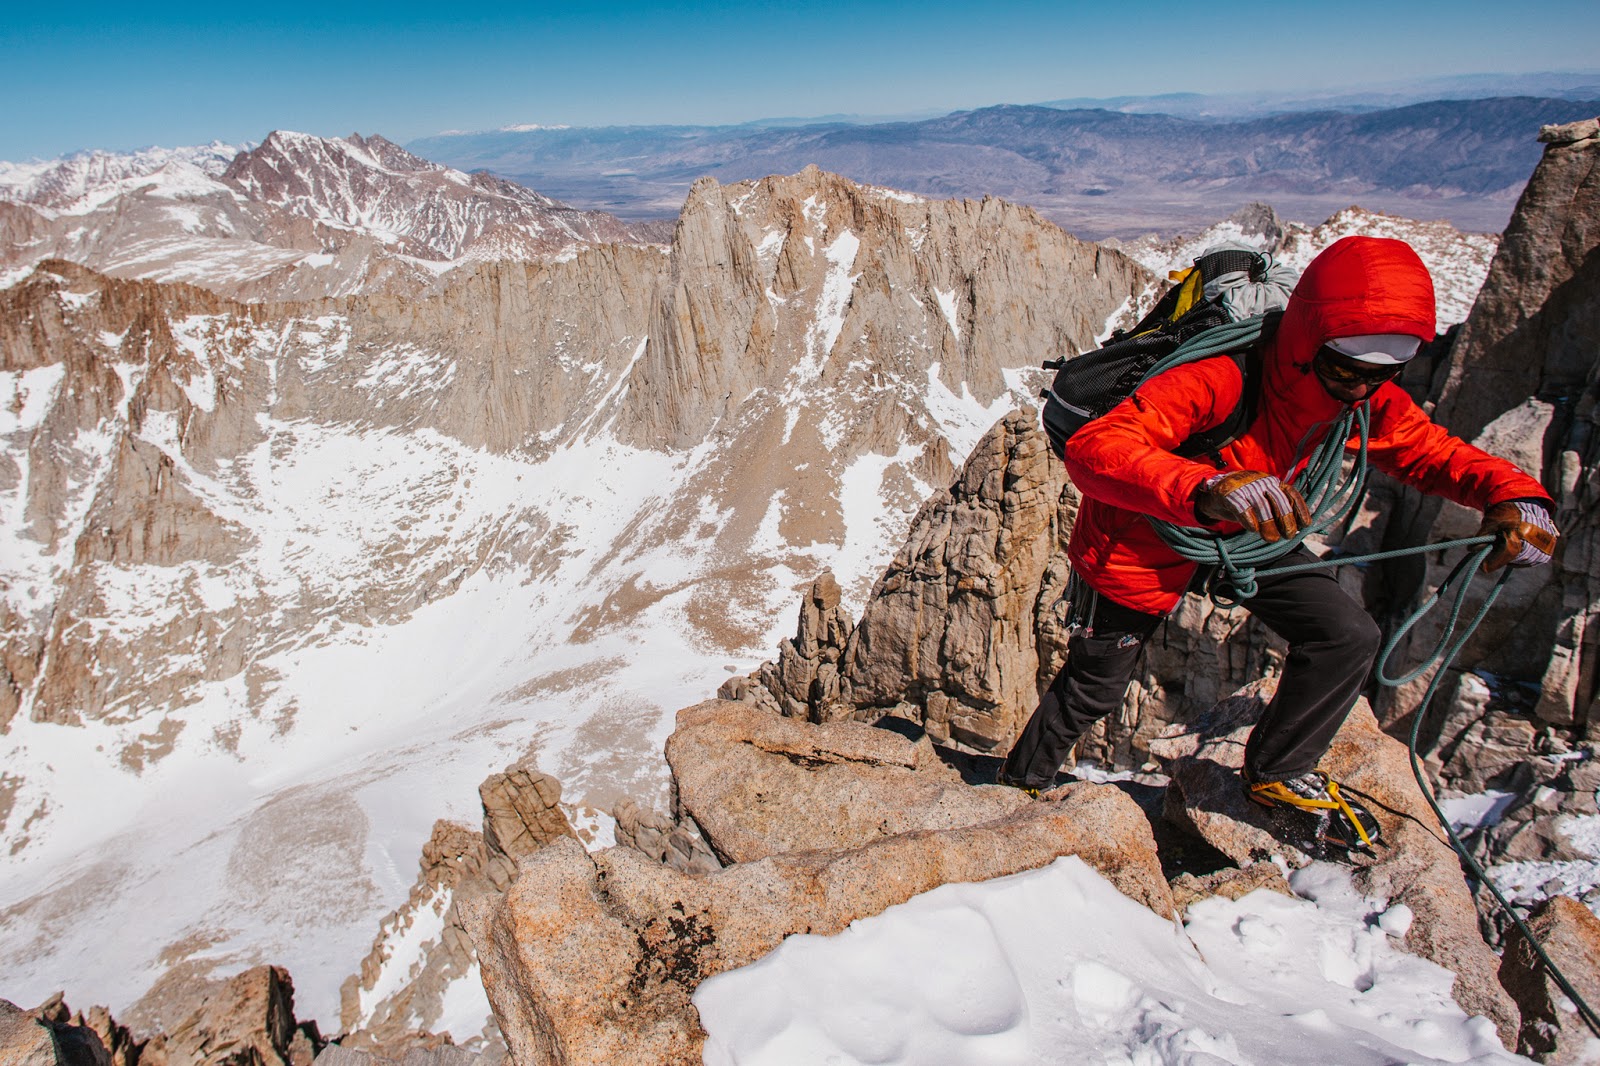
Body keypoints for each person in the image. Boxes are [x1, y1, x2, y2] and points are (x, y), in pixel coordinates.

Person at [998, 235, 1558, 848]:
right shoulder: (1221, 376)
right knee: (1096, 683)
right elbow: (1097, 449)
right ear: (1308, 341)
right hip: (1147, 535)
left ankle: (1279, 774)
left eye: (1381, 375)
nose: (1359, 388)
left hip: (1251, 532)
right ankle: (1018, 786)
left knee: (1346, 635)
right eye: (1345, 369)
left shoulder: (1354, 392)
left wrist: (1512, 495)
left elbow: (1428, 451)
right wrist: (1207, 487)